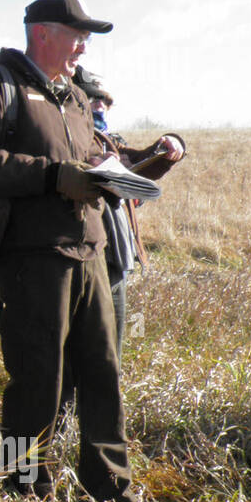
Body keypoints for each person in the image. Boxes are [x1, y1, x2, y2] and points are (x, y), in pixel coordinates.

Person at [0, 0, 135, 502]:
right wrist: (52, 177)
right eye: (76, 34)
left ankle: (111, 489)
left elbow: (91, 157)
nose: (84, 44)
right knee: (38, 377)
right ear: (41, 33)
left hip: (91, 250)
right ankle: (29, 492)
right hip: (32, 258)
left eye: (87, 35)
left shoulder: (73, 94)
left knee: (102, 372)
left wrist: (130, 168)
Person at [72, 67, 185, 357]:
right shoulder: (72, 138)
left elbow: (135, 162)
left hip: (118, 258)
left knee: (110, 352)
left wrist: (169, 147)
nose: (101, 106)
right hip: (83, 255)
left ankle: (100, 400)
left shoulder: (109, 139)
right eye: (95, 98)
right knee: (78, 350)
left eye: (106, 102)